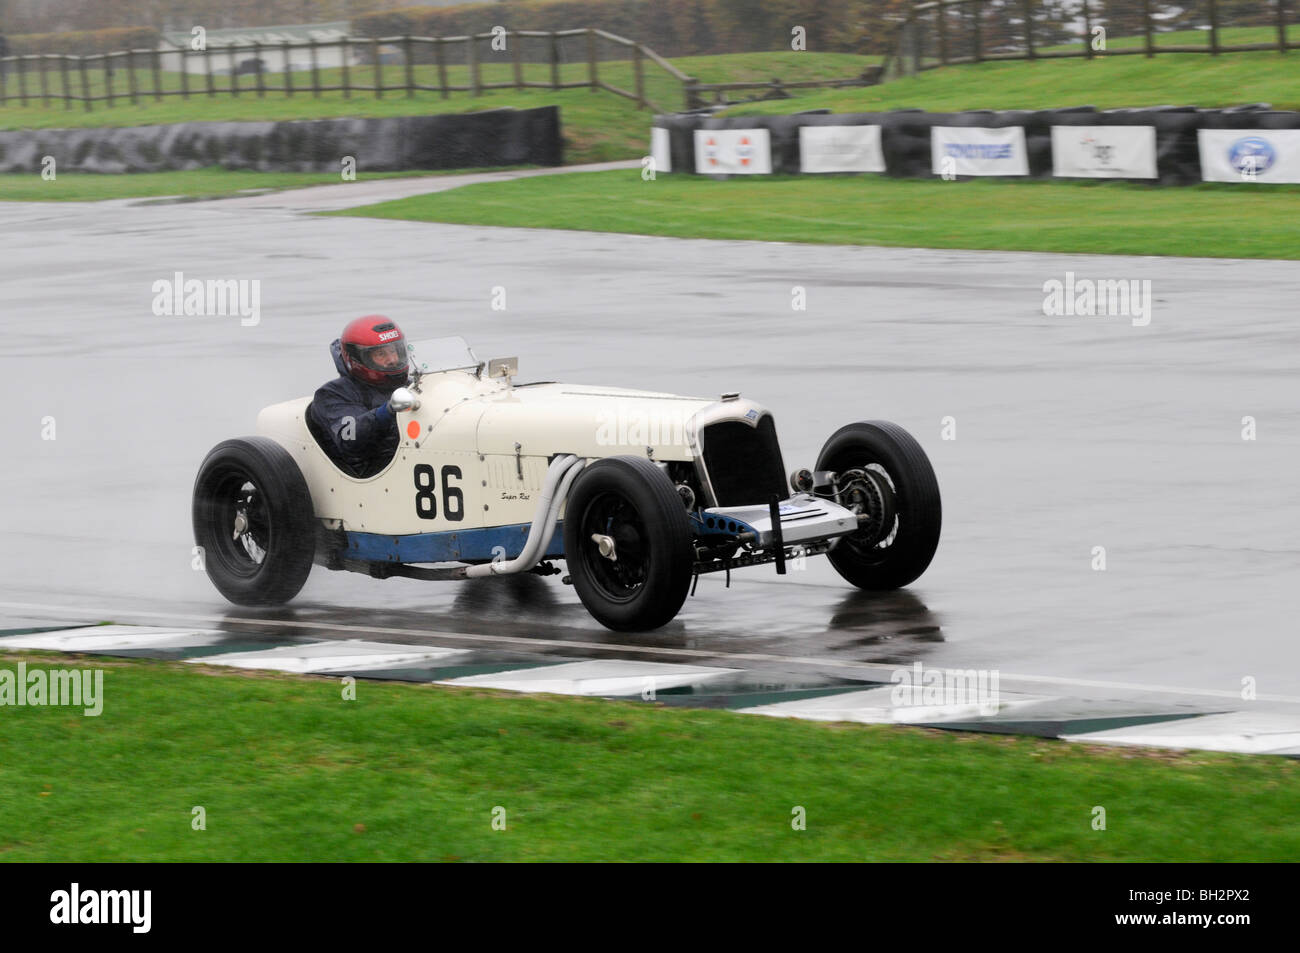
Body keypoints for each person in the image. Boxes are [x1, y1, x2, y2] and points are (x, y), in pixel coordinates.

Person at [307, 316, 417, 478]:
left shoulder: (410, 385)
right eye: (381, 354)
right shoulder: (332, 394)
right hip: (374, 471)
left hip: (413, 459)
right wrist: (386, 411)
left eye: (393, 351)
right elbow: (349, 439)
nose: (392, 360)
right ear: (357, 359)